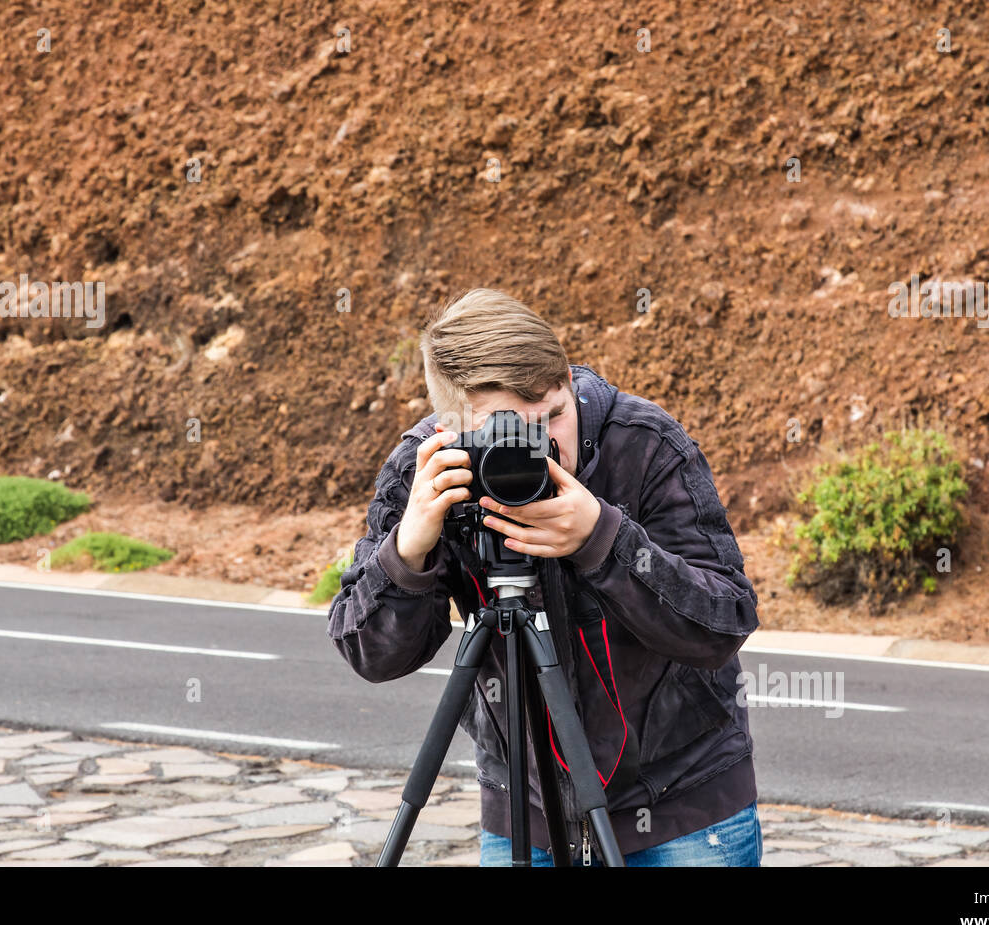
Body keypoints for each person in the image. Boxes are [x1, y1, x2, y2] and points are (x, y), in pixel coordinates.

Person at [327, 288, 763, 866]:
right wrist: (409, 550)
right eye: (509, 431)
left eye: (555, 413)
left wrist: (603, 539)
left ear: (567, 379)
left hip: (680, 808)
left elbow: (725, 621)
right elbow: (371, 654)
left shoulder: (643, 444)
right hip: (522, 815)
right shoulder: (425, 468)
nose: (543, 448)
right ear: (450, 426)